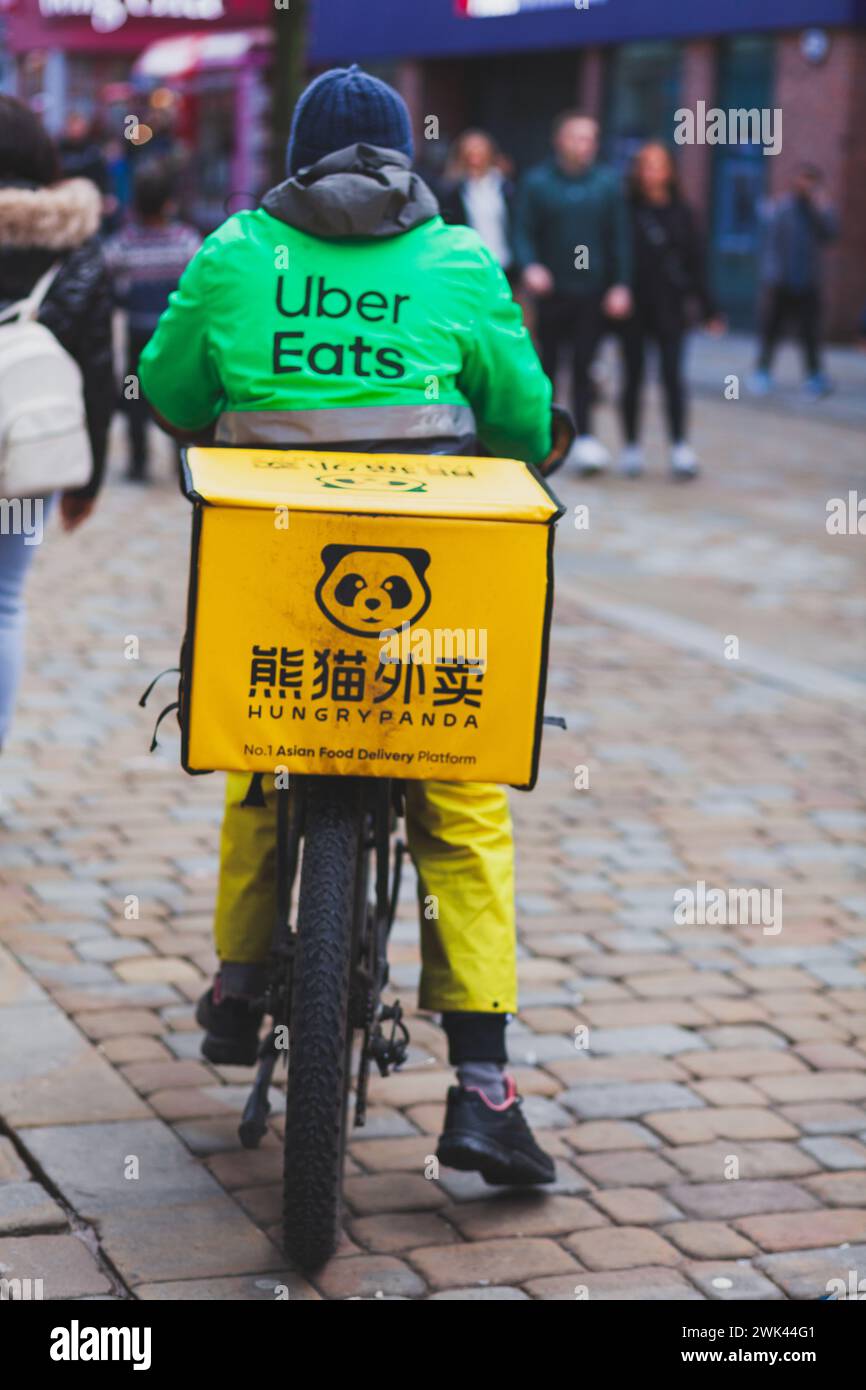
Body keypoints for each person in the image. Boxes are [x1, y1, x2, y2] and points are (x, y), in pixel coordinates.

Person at [139, 65, 560, 1185]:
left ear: (295, 156)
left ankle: (237, 981)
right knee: (462, 805)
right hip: (433, 590)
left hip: (271, 573)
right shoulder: (460, 260)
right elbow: (521, 417)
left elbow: (168, 390)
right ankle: (482, 1090)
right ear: (406, 162)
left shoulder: (236, 251)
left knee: (251, 738)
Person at [0, 97, 114, 748]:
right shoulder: (74, 239)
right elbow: (98, 369)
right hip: (31, 443)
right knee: (4, 600)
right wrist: (88, 478)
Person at [514, 111, 632, 474]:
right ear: (559, 140)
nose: (583, 145)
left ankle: (585, 439)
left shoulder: (608, 184)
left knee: (585, 365)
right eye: (576, 137)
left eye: (590, 138)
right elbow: (522, 230)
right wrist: (531, 265)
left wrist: (621, 284)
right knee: (546, 366)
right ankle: (542, 439)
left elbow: (620, 237)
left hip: (591, 291)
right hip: (552, 291)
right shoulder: (537, 183)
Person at [618, 142, 724, 480]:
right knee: (632, 375)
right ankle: (631, 446)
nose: (652, 172)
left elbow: (697, 263)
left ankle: (679, 447)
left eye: (659, 164)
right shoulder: (625, 210)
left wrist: (709, 309)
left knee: (672, 377)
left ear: (670, 171)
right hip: (633, 306)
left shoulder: (683, 212)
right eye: (646, 165)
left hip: (671, 307)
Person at [104, 163, 200, 483]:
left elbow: (108, 268)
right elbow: (198, 278)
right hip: (174, 335)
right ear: (169, 202)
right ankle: (181, 459)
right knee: (177, 395)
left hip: (138, 335)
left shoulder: (125, 241)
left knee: (134, 395)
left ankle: (138, 461)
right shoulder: (185, 241)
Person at [750, 164, 838, 399]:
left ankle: (814, 377)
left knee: (810, 333)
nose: (806, 185)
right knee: (772, 330)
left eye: (811, 181)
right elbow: (770, 243)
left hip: (808, 282)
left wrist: (822, 209)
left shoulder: (818, 211)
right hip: (782, 281)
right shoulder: (783, 208)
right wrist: (771, 275)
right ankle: (762, 372)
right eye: (803, 179)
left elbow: (830, 235)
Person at [440, 129, 515, 279]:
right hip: (470, 265)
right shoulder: (452, 190)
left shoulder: (504, 187)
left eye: (480, 151)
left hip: (504, 263)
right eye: (469, 152)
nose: (475, 157)